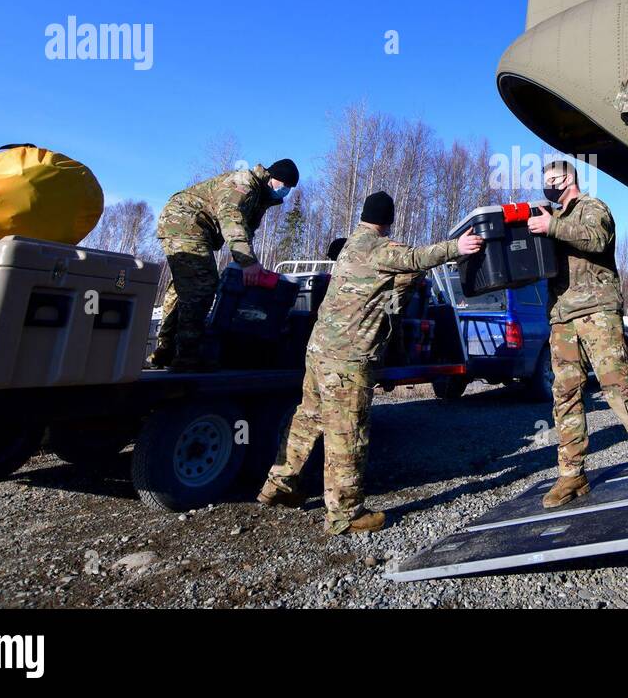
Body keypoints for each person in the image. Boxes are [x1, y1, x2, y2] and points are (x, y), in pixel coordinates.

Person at [258, 191, 484, 535]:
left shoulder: (350, 247)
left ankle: (278, 485)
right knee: (347, 434)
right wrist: (458, 248)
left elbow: (393, 291)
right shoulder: (381, 249)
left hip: (318, 351)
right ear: (388, 220)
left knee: (306, 419)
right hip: (348, 359)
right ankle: (344, 515)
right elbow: (419, 257)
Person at [525, 160, 628, 508]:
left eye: (554, 179)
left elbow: (597, 240)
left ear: (569, 179)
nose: (549, 186)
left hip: (597, 311)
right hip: (562, 317)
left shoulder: (593, 208)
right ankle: (572, 475)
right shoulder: (550, 217)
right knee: (565, 394)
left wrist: (552, 226)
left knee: (618, 387)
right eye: (546, 181)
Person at [151, 159, 299, 371]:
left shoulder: (260, 197)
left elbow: (246, 232)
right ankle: (187, 358)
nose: (285, 191)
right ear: (271, 177)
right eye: (283, 185)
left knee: (183, 288)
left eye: (289, 189)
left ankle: (166, 352)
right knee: (202, 285)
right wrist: (247, 262)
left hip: (191, 225)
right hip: (185, 221)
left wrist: (249, 262)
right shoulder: (245, 184)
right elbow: (231, 219)